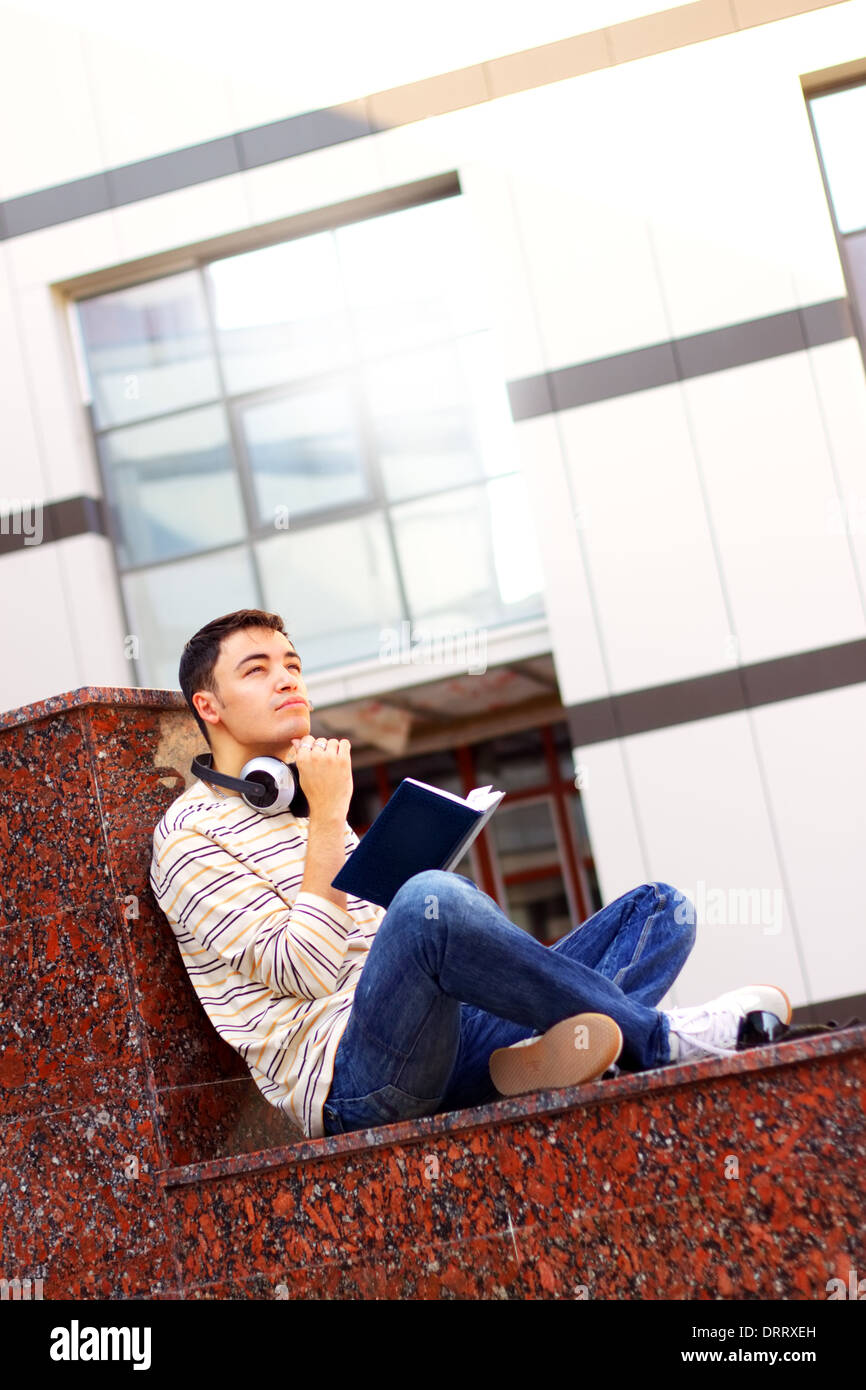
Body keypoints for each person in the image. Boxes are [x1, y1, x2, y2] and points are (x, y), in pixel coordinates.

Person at [150, 608, 791, 1141]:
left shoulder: (306, 803)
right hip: (354, 1080)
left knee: (659, 909)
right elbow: (307, 970)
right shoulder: (188, 839)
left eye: (292, 665)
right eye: (257, 670)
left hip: (443, 1033)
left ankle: (519, 1065)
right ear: (209, 705)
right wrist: (331, 820)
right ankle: (658, 1041)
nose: (287, 680)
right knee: (432, 901)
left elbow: (375, 933)